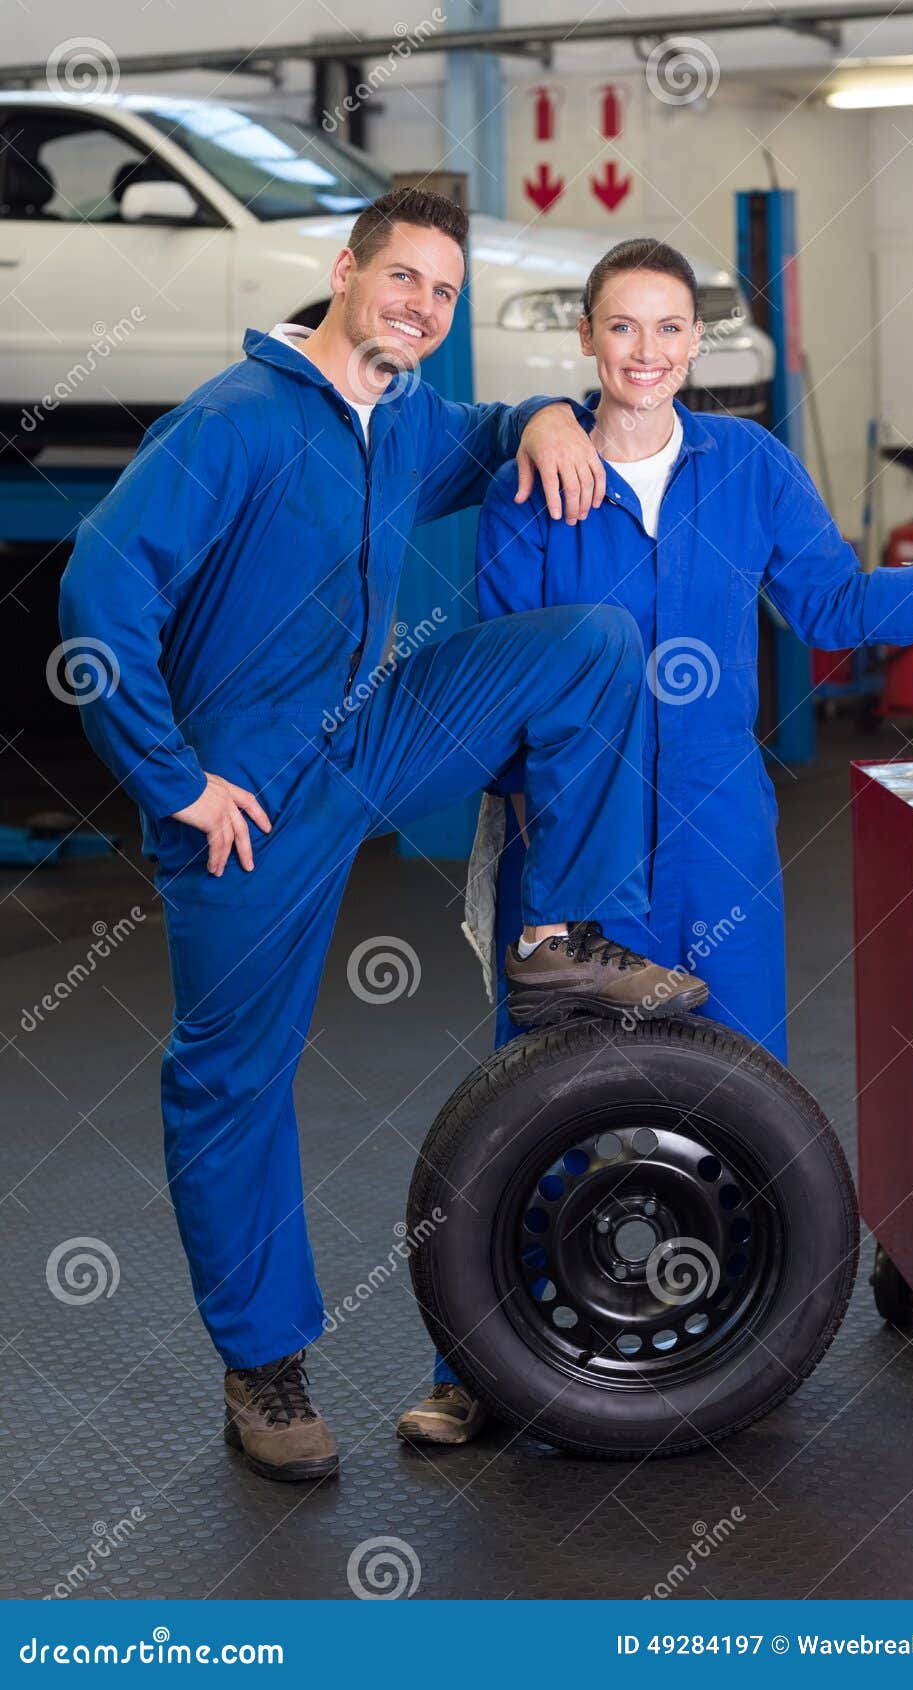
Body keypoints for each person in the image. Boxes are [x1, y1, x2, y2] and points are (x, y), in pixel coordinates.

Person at [58, 195, 708, 1485]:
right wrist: (174, 781)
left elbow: (482, 435)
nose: (421, 304)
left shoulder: (401, 417)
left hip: (372, 734)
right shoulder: (236, 421)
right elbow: (97, 587)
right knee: (230, 1080)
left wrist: (535, 413)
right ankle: (263, 1365)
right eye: (402, 277)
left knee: (587, 644)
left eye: (443, 291)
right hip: (246, 803)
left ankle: (557, 938)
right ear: (343, 272)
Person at [395, 234, 913, 1446]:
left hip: (716, 824)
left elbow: (826, 604)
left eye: (667, 328)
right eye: (621, 327)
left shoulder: (746, 467)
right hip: (572, 825)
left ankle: (745, 1344)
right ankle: (476, 1366)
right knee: (535, 1089)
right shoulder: (526, 483)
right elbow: (500, 671)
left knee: (740, 1082)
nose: (645, 351)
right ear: (586, 340)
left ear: (695, 345)